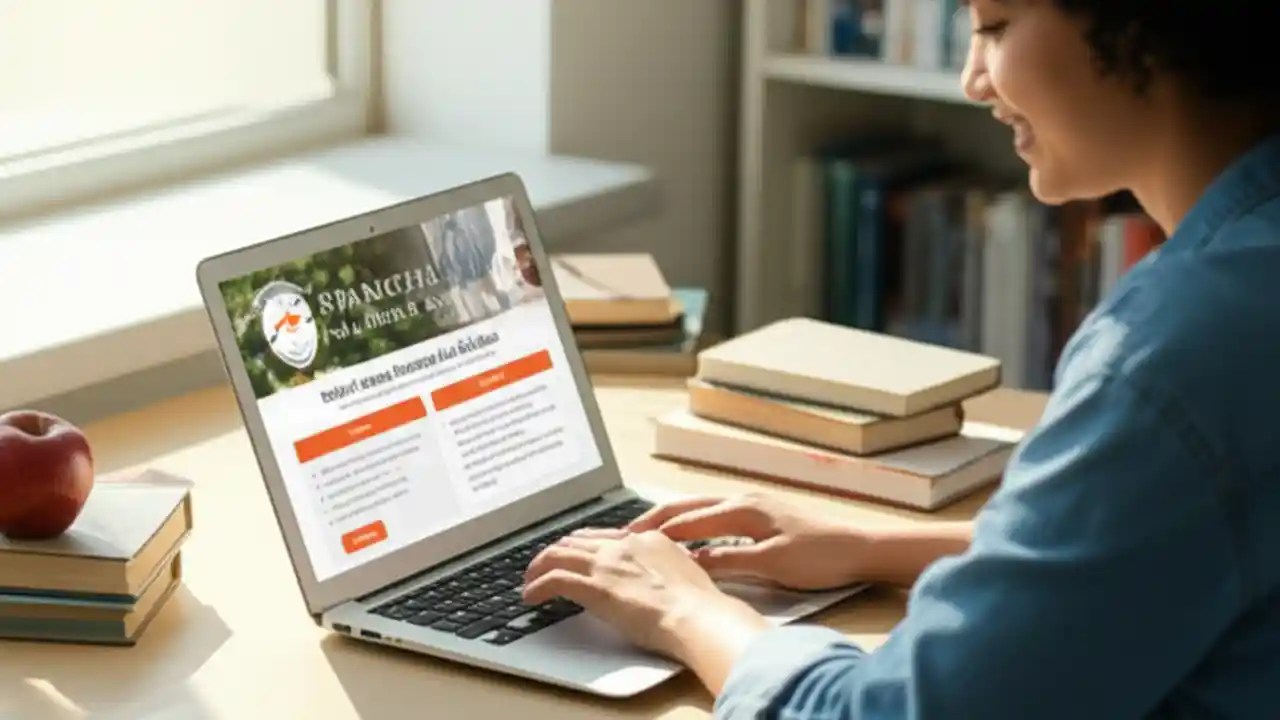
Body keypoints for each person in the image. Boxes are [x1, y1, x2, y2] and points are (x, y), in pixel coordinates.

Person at [521, 1, 1280, 717]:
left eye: (995, 25)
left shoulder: (1176, 351)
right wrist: (873, 546)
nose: (972, 77)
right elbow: (1176, 545)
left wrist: (684, 609)